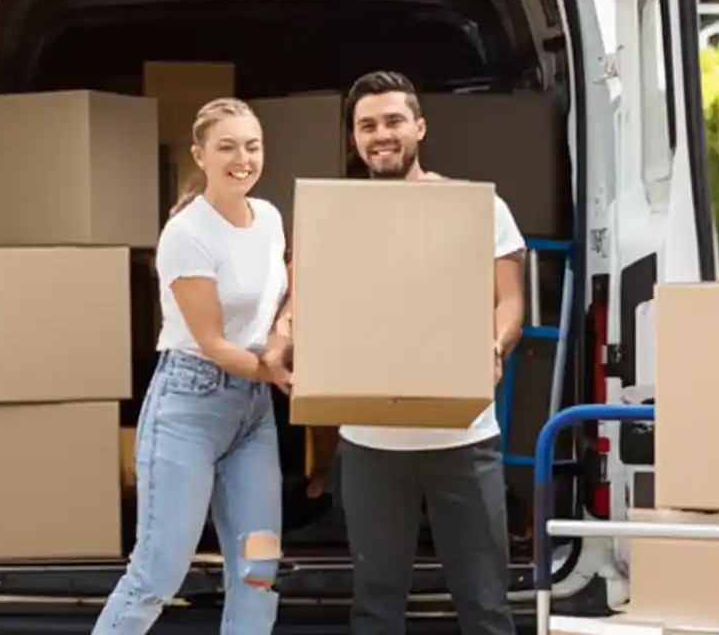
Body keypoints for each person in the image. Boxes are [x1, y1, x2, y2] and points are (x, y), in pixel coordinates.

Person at [264, 70, 526, 634]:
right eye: (366, 125)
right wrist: (282, 337)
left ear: (419, 127)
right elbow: (300, 297)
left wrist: (494, 343)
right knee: (376, 608)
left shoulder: (476, 206)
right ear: (354, 139)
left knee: (485, 605)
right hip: (369, 443)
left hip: (464, 440)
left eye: (393, 121)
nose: (380, 134)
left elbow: (510, 302)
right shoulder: (332, 214)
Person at [94, 97, 293, 635]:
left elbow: (282, 301)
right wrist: (276, 370)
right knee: (157, 574)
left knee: (257, 572)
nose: (242, 158)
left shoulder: (270, 218)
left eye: (252, 146)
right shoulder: (187, 233)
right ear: (199, 154)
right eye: (226, 147)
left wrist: (279, 340)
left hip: (252, 414)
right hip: (190, 406)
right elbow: (211, 342)